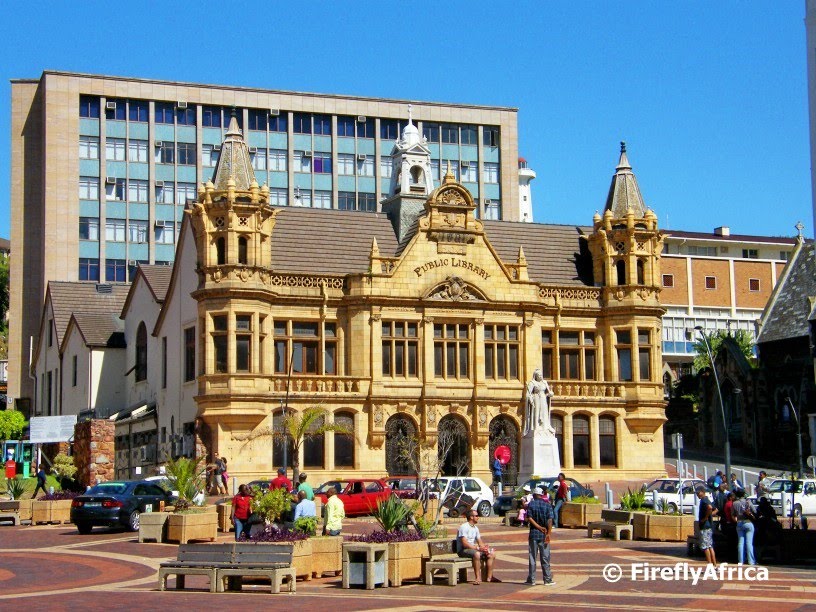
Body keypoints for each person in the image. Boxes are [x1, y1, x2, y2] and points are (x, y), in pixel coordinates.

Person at [456, 509, 500, 584]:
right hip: (463, 550)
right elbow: (465, 544)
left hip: (472, 549)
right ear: (471, 517)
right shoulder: (464, 527)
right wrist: (478, 548)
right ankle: (478, 578)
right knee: (477, 554)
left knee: (492, 553)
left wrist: (485, 548)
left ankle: (489, 577)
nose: (478, 517)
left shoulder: (475, 528)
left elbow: (480, 541)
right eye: (476, 516)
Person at [525, 487, 555, 586]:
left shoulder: (531, 504)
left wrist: (538, 527)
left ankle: (531, 579)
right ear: (542, 495)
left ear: (534, 495)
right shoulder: (547, 505)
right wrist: (548, 534)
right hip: (544, 535)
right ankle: (547, 579)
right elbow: (550, 520)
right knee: (545, 557)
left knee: (532, 557)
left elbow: (529, 518)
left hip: (533, 534)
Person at [524, 369, 555, 436]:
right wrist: (530, 399)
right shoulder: (532, 383)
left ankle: (544, 427)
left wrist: (550, 394)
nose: (540, 376)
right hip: (536, 399)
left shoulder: (544, 382)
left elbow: (548, 392)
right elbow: (528, 393)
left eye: (541, 375)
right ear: (536, 376)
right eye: (539, 375)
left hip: (543, 398)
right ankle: (536, 427)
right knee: (536, 412)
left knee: (544, 412)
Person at [732, 489, 756, 565]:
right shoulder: (748, 502)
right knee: (749, 543)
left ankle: (740, 560)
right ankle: (751, 561)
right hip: (748, 522)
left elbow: (733, 514)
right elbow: (754, 511)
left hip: (739, 522)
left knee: (740, 542)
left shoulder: (734, 503)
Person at [696, 486, 718, 565]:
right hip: (708, 526)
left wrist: (705, 518)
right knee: (710, 546)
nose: (697, 495)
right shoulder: (707, 499)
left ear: (702, 492)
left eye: (698, 493)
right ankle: (714, 565)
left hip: (705, 527)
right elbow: (716, 509)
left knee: (705, 547)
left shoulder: (704, 500)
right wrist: (710, 515)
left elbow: (710, 508)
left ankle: (710, 564)